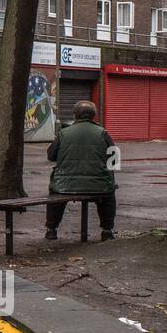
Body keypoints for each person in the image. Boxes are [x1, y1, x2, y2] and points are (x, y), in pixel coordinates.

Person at [45, 100, 117, 241]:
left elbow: (51, 156)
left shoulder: (63, 133)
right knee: (108, 197)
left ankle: (51, 229)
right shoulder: (103, 133)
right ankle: (107, 230)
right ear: (94, 115)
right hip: (99, 185)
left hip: (64, 185)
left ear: (74, 115)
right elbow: (114, 160)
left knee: (55, 196)